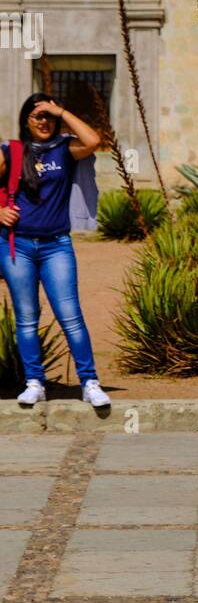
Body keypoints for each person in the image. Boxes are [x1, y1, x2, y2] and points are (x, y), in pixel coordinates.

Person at [0, 94, 110, 410]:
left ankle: (89, 383)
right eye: (38, 116)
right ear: (26, 121)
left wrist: (61, 110)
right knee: (27, 318)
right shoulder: (12, 151)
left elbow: (94, 139)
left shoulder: (66, 149)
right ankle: (35, 383)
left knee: (70, 315)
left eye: (49, 117)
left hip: (56, 246)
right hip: (17, 245)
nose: (44, 122)